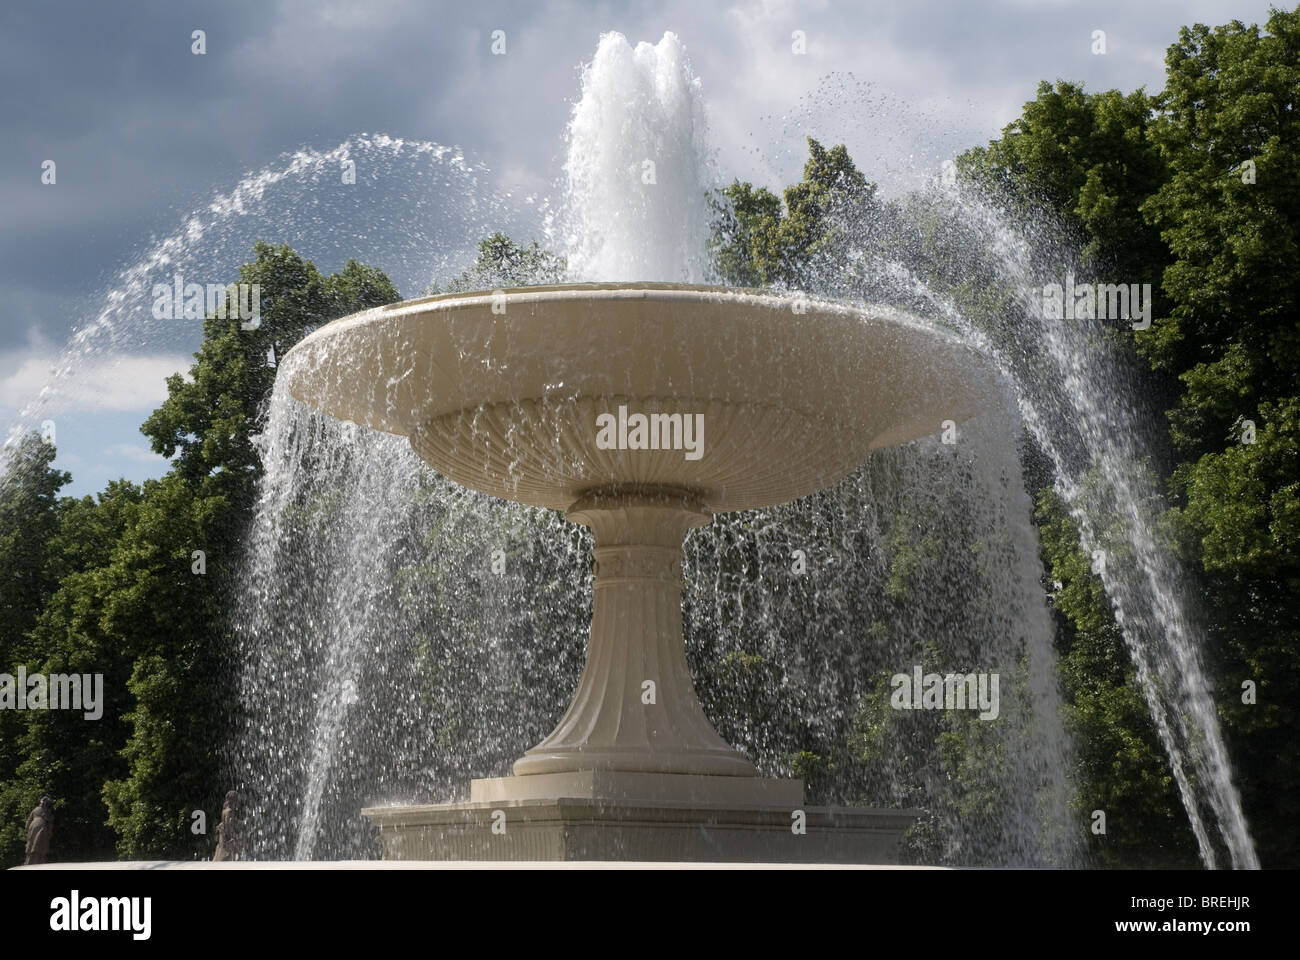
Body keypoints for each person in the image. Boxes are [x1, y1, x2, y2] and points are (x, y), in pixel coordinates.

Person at [24, 796, 54, 865]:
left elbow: (29, 820)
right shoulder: (47, 811)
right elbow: (50, 822)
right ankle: (38, 862)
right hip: (41, 826)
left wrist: (27, 827)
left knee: (32, 844)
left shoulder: (35, 809)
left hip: (32, 826)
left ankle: (29, 861)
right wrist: (50, 831)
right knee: (40, 846)